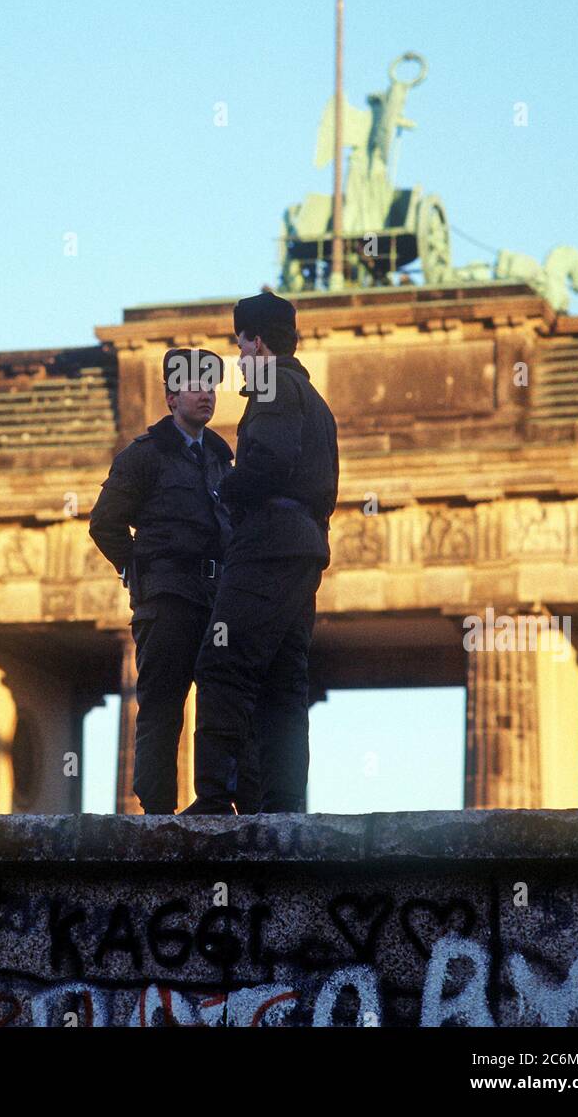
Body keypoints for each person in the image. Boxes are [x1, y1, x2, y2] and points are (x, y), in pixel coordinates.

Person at [182, 292, 339, 815]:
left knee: (222, 661)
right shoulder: (317, 402)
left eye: (240, 344)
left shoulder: (270, 383)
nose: (239, 358)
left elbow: (268, 461)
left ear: (257, 341)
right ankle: (284, 803)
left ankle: (213, 797)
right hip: (305, 548)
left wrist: (224, 490)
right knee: (284, 680)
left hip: (266, 545)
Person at [89, 347, 259, 814]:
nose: (205, 395)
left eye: (211, 385)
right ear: (170, 397)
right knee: (163, 704)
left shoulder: (222, 460)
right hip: (167, 598)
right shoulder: (144, 457)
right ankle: (158, 813)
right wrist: (139, 573)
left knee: (224, 700)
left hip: (214, 599)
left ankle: (221, 800)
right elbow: (105, 523)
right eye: (194, 385)